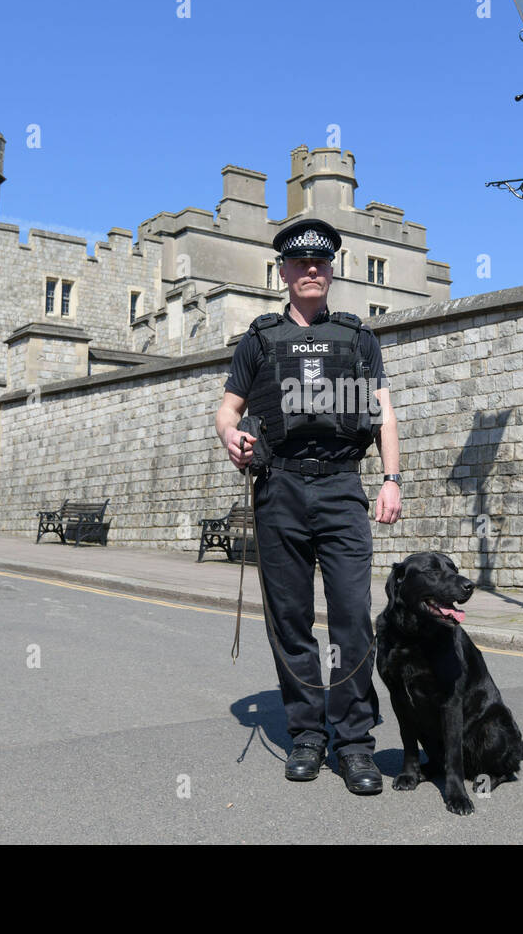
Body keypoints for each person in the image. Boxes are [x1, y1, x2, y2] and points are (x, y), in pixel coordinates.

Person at [215, 217, 402, 796]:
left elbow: (384, 413)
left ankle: (354, 743)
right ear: (284, 273)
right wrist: (231, 437)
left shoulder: (358, 337)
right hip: (280, 490)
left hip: (343, 487)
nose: (311, 270)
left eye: (321, 262)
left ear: (331, 270)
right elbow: (227, 409)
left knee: (351, 617)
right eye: (300, 263)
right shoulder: (259, 339)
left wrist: (392, 478)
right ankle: (306, 734)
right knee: (291, 620)